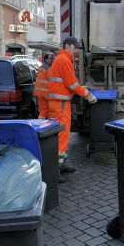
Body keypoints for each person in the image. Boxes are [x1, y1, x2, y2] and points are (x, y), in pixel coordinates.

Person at [46, 36, 97, 174]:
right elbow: (72, 84)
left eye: (77, 48)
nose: (75, 51)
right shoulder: (64, 60)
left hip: (60, 103)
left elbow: (69, 83)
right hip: (60, 104)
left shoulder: (63, 59)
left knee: (64, 134)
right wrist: (88, 95)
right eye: (74, 48)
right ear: (67, 46)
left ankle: (61, 164)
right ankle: (55, 170)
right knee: (62, 135)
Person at [34, 52, 55, 119]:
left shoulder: (40, 68)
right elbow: (53, 81)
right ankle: (48, 125)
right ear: (45, 59)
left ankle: (41, 124)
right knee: (49, 111)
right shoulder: (49, 68)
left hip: (40, 94)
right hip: (47, 94)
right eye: (51, 59)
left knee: (42, 111)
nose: (52, 60)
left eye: (53, 59)